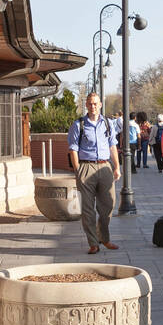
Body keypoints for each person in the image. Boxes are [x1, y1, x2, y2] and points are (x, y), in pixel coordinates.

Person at [68, 92, 121, 254]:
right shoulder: (78, 125)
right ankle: (93, 243)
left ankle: (103, 237)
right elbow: (73, 149)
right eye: (90, 104)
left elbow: (113, 146)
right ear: (86, 105)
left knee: (108, 205)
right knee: (87, 208)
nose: (93, 106)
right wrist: (78, 170)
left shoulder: (107, 123)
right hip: (86, 167)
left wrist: (117, 167)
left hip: (105, 166)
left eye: (96, 103)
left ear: (100, 105)